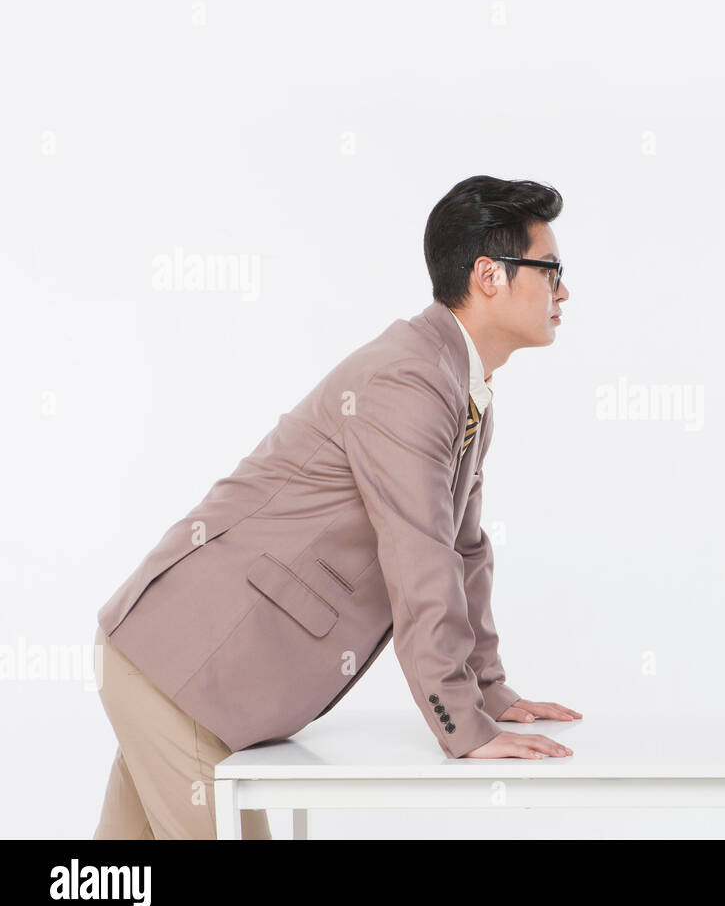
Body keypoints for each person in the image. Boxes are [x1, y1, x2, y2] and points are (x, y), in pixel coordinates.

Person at [93, 174, 581, 840]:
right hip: (183, 667)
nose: (564, 291)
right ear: (490, 276)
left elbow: (464, 551)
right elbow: (419, 555)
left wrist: (493, 694)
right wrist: (462, 727)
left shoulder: (461, 387)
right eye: (551, 269)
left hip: (188, 673)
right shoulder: (408, 378)